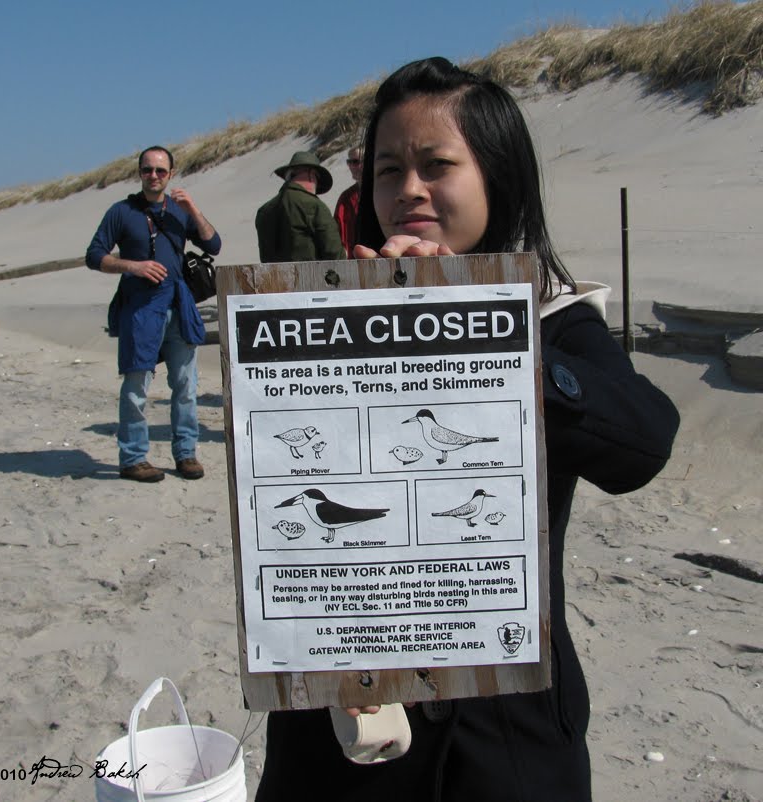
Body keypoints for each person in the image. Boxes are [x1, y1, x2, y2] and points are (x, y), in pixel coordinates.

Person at [255, 58, 680, 802]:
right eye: (388, 170)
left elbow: (643, 442)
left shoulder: (551, 315)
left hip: (503, 728)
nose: (408, 189)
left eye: (436, 165)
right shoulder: (319, 313)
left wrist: (483, 331)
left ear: (498, 174)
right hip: (342, 715)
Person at [86, 145, 221, 483]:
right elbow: (94, 255)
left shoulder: (179, 210)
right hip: (141, 309)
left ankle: (186, 454)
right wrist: (132, 265)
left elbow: (214, 245)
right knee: (136, 386)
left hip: (180, 305)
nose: (154, 176)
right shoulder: (122, 211)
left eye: (161, 171)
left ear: (171, 174)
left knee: (186, 386)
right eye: (148, 170)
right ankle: (133, 458)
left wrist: (192, 207)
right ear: (140, 173)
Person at [255, 150, 347, 262]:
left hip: (273, 279)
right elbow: (334, 254)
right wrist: (344, 254)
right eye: (317, 178)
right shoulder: (315, 206)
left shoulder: (264, 211)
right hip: (309, 277)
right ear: (311, 174)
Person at [333, 146, 363, 257]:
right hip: (353, 261)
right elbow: (336, 231)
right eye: (351, 162)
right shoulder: (346, 198)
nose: (355, 166)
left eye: (358, 161)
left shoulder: (383, 193)